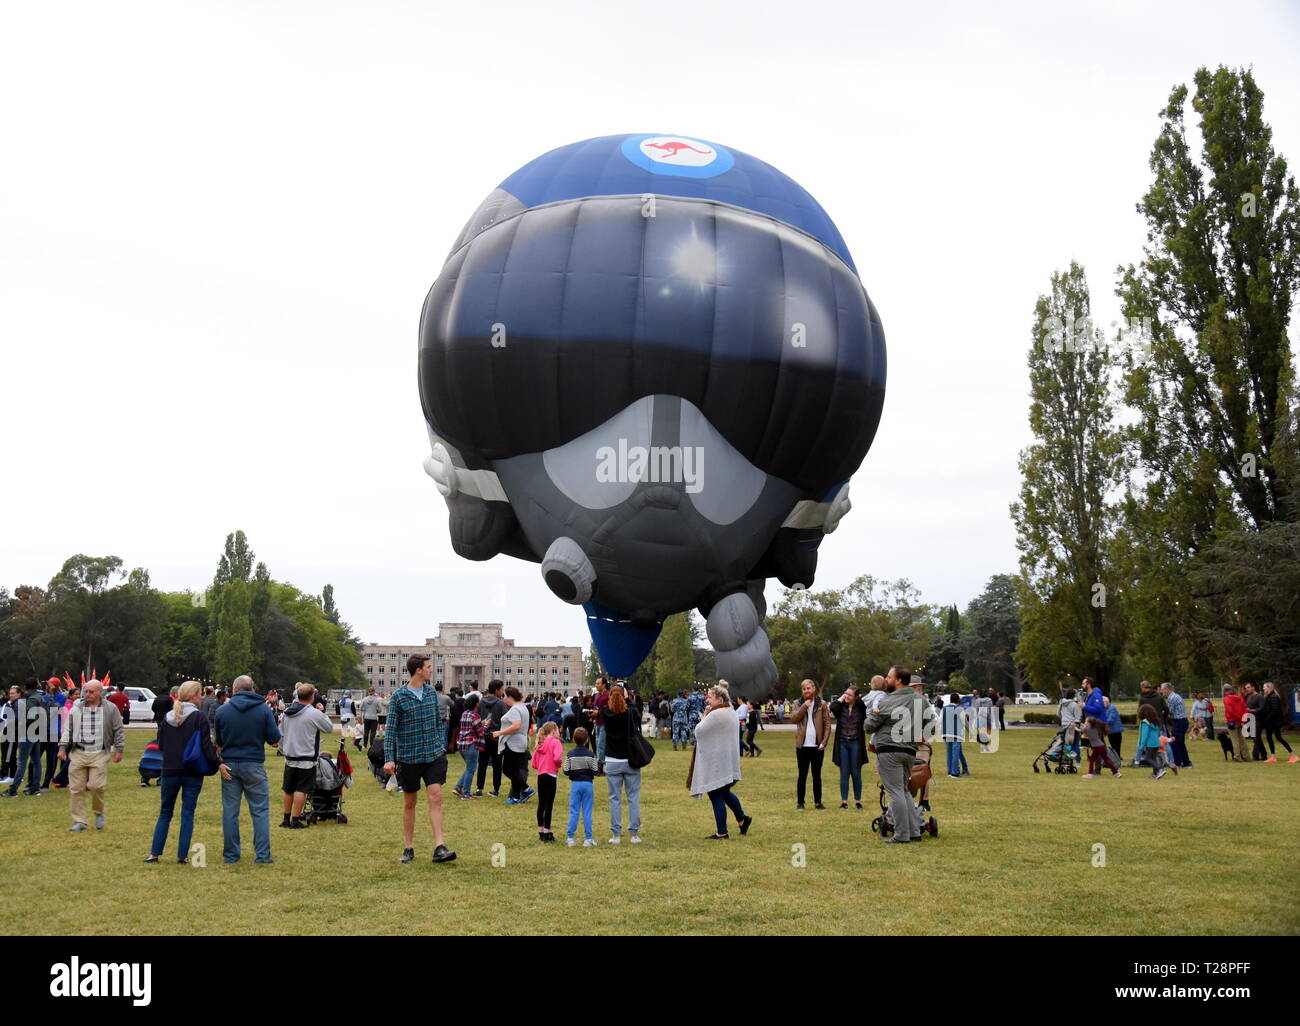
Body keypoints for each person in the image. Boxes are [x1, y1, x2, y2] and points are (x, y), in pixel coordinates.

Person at [383, 655, 456, 863]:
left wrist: (441, 746)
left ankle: (439, 846)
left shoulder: (431, 692)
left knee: (435, 795)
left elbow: (437, 721)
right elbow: (390, 731)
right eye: (428, 667)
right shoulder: (399, 696)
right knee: (410, 802)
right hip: (409, 756)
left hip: (433, 754)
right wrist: (390, 758)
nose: (431, 670)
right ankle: (409, 847)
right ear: (418, 670)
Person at [145, 680, 221, 862]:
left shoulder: (168, 717)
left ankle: (154, 853)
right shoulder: (198, 717)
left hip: (170, 769)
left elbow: (161, 744)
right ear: (195, 696)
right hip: (192, 771)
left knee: (165, 812)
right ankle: (182, 855)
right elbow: (205, 745)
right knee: (187, 813)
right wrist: (217, 763)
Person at [214, 674, 281, 864]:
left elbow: (218, 741)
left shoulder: (223, 711)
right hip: (253, 763)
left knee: (230, 811)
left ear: (233, 690)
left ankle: (231, 855)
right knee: (259, 811)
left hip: (229, 765)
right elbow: (274, 738)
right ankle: (262, 855)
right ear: (252, 689)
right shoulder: (263, 709)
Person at [864, 665, 931, 844]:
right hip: (909, 751)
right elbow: (929, 720)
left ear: (899, 680)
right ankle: (915, 830)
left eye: (889, 677)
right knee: (904, 790)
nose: (886, 680)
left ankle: (901, 834)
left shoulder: (887, 701)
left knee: (895, 793)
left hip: (889, 750)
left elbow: (868, 726)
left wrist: (873, 714)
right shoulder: (921, 700)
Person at [56, 679, 125, 830]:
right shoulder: (77, 708)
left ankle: (99, 813)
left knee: (96, 786)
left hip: (99, 752)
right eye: (86, 691)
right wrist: (62, 748)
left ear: (100, 693)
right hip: (78, 752)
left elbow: (118, 730)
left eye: (91, 691)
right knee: (76, 788)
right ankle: (79, 821)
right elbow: (68, 729)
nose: (88, 694)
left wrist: (119, 750)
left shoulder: (110, 708)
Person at [689, 684, 751, 840]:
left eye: (710, 696)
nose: (707, 699)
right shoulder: (730, 711)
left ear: (720, 698)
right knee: (725, 793)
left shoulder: (716, 714)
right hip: (727, 759)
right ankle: (742, 818)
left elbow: (699, 730)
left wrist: (705, 715)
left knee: (716, 794)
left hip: (718, 761)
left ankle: (722, 832)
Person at [279, 682, 335, 830]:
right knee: (301, 789)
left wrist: (283, 748)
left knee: (288, 788)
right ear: (312, 697)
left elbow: (281, 733)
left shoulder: (287, 712)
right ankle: (295, 819)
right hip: (306, 756)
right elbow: (329, 728)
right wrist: (322, 712)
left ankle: (285, 818)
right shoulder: (313, 713)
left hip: (290, 755)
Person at [601, 683, 641, 843]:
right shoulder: (630, 712)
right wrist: (628, 699)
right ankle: (634, 834)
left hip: (612, 760)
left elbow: (607, 707)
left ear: (610, 696)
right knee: (633, 797)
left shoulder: (605, 713)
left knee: (614, 799)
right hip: (630, 759)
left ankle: (616, 834)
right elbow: (637, 714)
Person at [789, 678, 830, 810]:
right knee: (802, 775)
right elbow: (794, 719)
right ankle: (800, 802)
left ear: (813, 689)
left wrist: (824, 742)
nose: (806, 691)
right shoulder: (797, 703)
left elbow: (827, 725)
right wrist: (804, 706)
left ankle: (818, 802)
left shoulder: (822, 704)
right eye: (804, 689)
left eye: (808, 688)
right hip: (802, 746)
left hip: (817, 746)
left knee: (816, 775)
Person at [3, 680, 47, 797]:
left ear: (25, 687)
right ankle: (35, 788)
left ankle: (13, 790)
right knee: (36, 761)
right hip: (38, 732)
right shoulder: (41, 697)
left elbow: (26, 718)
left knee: (21, 762)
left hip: (28, 733)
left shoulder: (30, 700)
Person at [492, 686, 533, 805]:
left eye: (505, 696)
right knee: (514, 770)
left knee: (508, 769)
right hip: (519, 742)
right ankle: (517, 795)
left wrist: (499, 733)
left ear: (510, 697)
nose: (504, 699)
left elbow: (516, 725)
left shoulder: (515, 709)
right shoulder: (523, 707)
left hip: (512, 743)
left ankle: (525, 790)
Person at [829, 685, 868, 808]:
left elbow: (864, 706)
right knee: (844, 772)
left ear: (856, 697)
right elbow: (832, 707)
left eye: (850, 695)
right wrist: (844, 696)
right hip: (843, 743)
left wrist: (856, 697)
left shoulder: (860, 709)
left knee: (856, 772)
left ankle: (858, 801)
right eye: (846, 693)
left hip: (855, 742)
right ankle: (844, 802)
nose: (847, 696)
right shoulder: (841, 708)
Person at [563, 727, 598, 846]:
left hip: (575, 784)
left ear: (573, 739)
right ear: (587, 740)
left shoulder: (570, 754)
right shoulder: (591, 754)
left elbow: (566, 770)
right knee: (587, 811)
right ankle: (588, 839)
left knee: (574, 811)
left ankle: (570, 838)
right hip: (588, 784)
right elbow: (595, 770)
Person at [532, 721, 564, 842]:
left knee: (541, 803)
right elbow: (556, 758)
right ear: (553, 731)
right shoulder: (556, 742)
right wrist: (559, 763)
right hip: (551, 774)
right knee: (548, 804)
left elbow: (534, 764)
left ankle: (541, 831)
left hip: (541, 775)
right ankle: (547, 832)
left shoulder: (540, 742)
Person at [475, 680, 507, 797]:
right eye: (502, 689)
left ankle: (479, 788)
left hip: (483, 735)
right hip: (496, 736)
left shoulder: (481, 702)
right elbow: (505, 718)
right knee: (497, 764)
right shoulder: (500, 703)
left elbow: (478, 717)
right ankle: (496, 789)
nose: (503, 691)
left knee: (482, 763)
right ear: (497, 690)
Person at [453, 693, 485, 798]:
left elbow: (470, 726)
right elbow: (480, 732)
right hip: (471, 744)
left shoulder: (465, 713)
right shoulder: (475, 715)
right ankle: (466, 793)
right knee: (471, 769)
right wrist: (485, 725)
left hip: (461, 744)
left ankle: (458, 787)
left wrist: (481, 723)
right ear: (476, 703)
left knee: (469, 768)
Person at [1260, 682, 1297, 763]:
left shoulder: (1273, 697)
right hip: (1271, 722)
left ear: (1269, 687)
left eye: (1264, 687)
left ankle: (1293, 756)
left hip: (1275, 722)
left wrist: (1267, 719)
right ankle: (1273, 757)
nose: (1263, 689)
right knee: (1269, 738)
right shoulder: (1269, 696)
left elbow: (1275, 710)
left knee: (1279, 738)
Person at [1137, 704, 1175, 780]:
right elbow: (1158, 734)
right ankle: (1155, 774)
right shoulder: (1156, 722)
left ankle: (1160, 769)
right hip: (1156, 743)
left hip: (1149, 744)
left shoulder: (1145, 723)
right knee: (1153, 758)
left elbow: (1144, 735)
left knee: (1147, 758)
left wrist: (1141, 745)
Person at [1160, 682, 1191, 769]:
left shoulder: (1172, 698)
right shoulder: (1175, 696)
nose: (1162, 691)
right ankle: (1184, 762)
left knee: (1176, 742)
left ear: (1167, 689)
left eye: (1162, 689)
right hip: (1181, 721)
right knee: (1179, 743)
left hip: (1179, 722)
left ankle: (1181, 762)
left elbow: (1169, 711)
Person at [940, 691, 967, 778]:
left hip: (946, 733)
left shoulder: (944, 708)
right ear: (958, 700)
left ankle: (950, 771)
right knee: (955, 753)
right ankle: (955, 772)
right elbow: (965, 723)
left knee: (949, 753)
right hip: (956, 734)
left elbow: (940, 720)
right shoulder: (959, 709)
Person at [1222, 685, 1248, 762]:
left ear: (1225, 691)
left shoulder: (1226, 699)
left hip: (1232, 721)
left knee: (1234, 740)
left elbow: (1230, 711)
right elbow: (1245, 710)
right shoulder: (1240, 698)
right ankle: (1246, 756)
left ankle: (1237, 756)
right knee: (1242, 739)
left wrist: (1238, 718)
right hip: (1241, 721)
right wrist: (1243, 720)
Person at [1243, 683, 1267, 761]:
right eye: (1246, 688)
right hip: (1250, 720)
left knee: (1256, 738)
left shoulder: (1259, 697)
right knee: (1256, 738)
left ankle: (1255, 756)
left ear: (1253, 687)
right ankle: (1264, 755)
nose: (1247, 689)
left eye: (1248, 687)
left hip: (1258, 720)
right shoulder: (1249, 697)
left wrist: (1251, 710)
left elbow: (1262, 709)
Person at [592, 676, 610, 775]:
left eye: (598, 683)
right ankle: (601, 765)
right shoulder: (596, 695)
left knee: (601, 745)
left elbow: (609, 709)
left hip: (605, 723)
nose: (596, 685)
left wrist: (598, 712)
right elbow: (596, 707)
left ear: (603, 684)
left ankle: (601, 766)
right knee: (598, 744)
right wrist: (591, 714)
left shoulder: (608, 695)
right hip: (597, 722)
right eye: (596, 683)